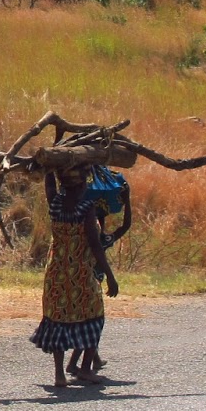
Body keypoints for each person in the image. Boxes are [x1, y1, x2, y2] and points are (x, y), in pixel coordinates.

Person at [30, 165, 117, 389]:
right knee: (94, 316)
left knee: (57, 318)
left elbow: (48, 183)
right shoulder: (86, 208)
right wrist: (109, 274)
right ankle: (86, 368)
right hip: (80, 272)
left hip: (56, 273)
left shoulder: (56, 203)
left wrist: (50, 158)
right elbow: (95, 245)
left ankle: (59, 374)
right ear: (80, 184)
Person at [70, 175, 132, 378]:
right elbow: (125, 226)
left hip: (77, 279)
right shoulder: (102, 239)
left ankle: (92, 359)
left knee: (85, 321)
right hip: (91, 282)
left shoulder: (80, 236)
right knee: (92, 322)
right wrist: (128, 200)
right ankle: (76, 364)